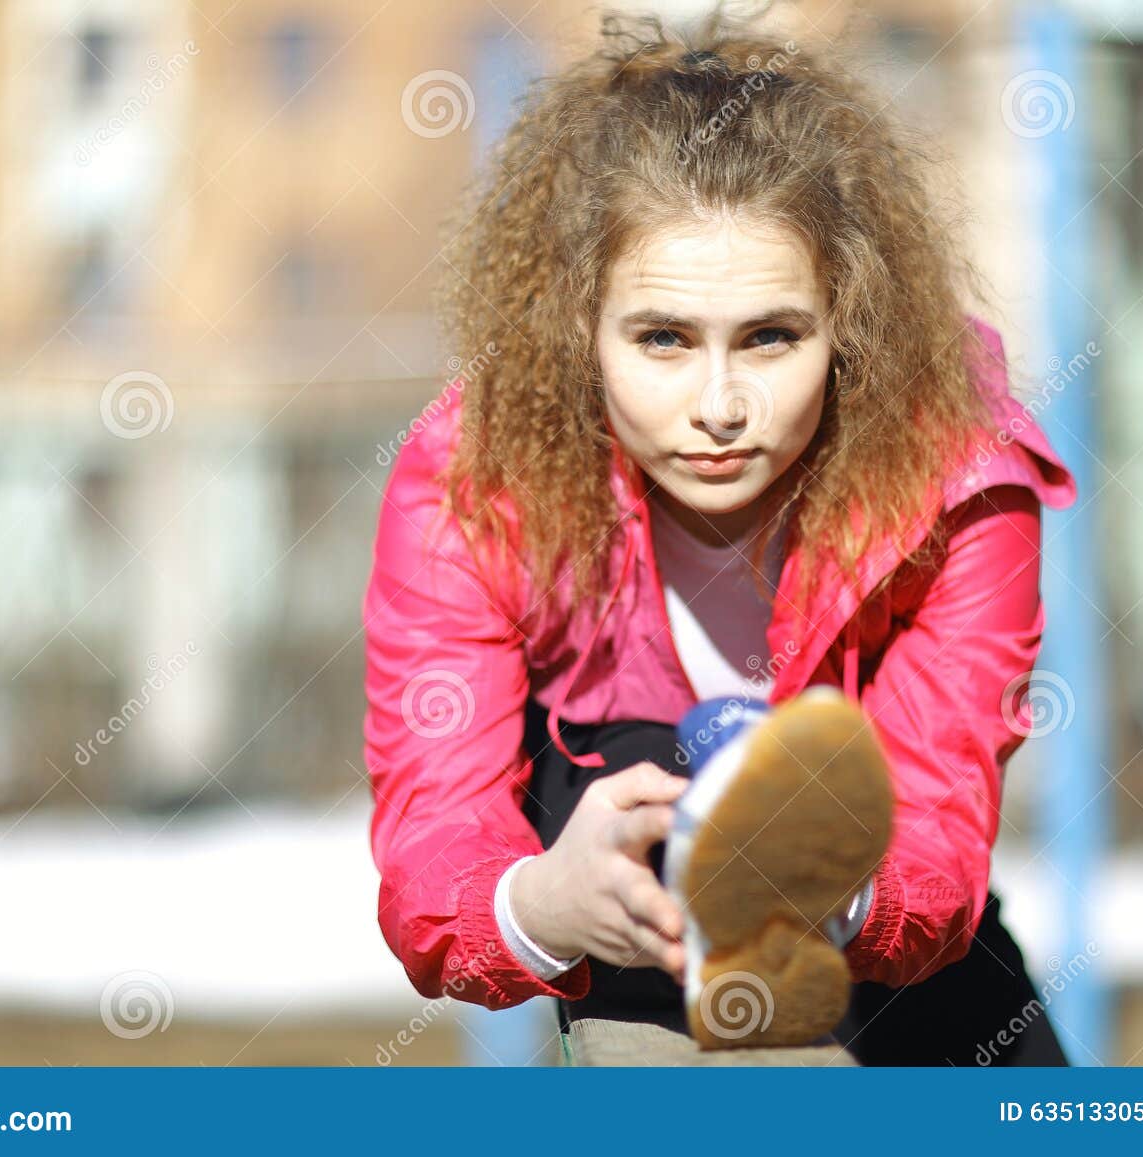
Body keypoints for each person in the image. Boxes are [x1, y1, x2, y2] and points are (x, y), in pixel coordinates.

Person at [361, 11, 1077, 1064]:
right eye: (662, 338)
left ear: (850, 320)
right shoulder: (476, 484)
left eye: (771, 336)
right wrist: (541, 900)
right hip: (639, 949)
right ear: (578, 325)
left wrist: (834, 881)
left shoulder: (957, 484)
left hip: (895, 962)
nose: (720, 403)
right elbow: (436, 838)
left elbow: (938, 826)